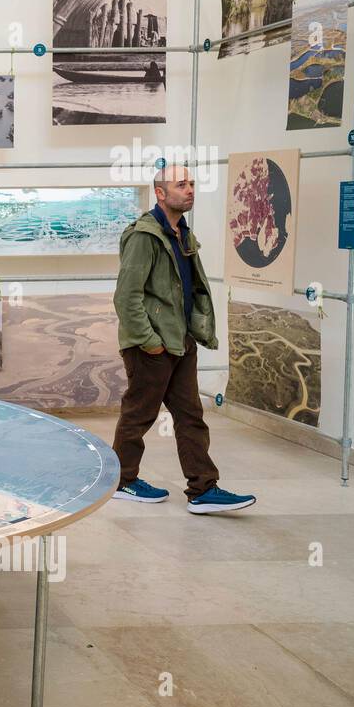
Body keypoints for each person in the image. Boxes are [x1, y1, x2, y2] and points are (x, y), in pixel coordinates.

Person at [111, 164, 256, 514]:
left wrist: (192, 333)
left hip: (181, 341)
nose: (190, 189)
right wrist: (149, 340)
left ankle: (203, 489)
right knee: (139, 415)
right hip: (153, 346)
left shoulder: (183, 235)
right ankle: (122, 480)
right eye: (181, 184)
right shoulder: (144, 236)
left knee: (191, 415)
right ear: (160, 193)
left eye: (191, 183)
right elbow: (126, 296)